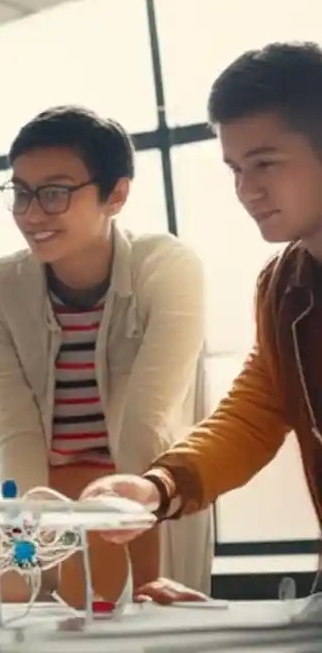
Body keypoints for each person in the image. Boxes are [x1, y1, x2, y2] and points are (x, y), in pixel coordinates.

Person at [82, 42, 322, 604]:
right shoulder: (284, 287)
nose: (247, 190)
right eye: (236, 169)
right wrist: (155, 489)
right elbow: (254, 413)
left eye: (265, 163)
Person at [0, 106, 211, 604]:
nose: (32, 213)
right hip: (49, 504)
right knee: (34, 621)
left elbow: (149, 421)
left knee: (156, 619)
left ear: (116, 195)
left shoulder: (168, 268)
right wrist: (26, 557)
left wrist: (135, 537)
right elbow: (15, 433)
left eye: (55, 193)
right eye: (21, 192)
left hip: (144, 494)